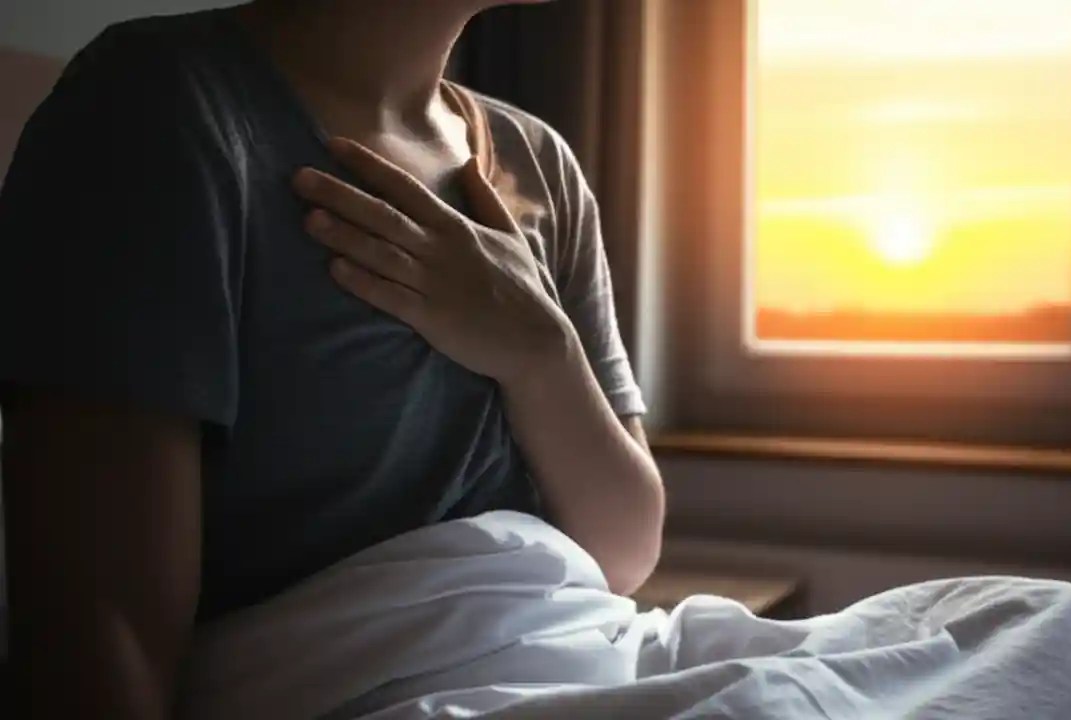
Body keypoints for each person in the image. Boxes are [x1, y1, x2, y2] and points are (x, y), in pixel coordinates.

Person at [0, 0, 665, 716]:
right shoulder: (157, 105)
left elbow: (624, 552)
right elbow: (103, 630)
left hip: (579, 653)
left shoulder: (538, 162)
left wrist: (542, 354)